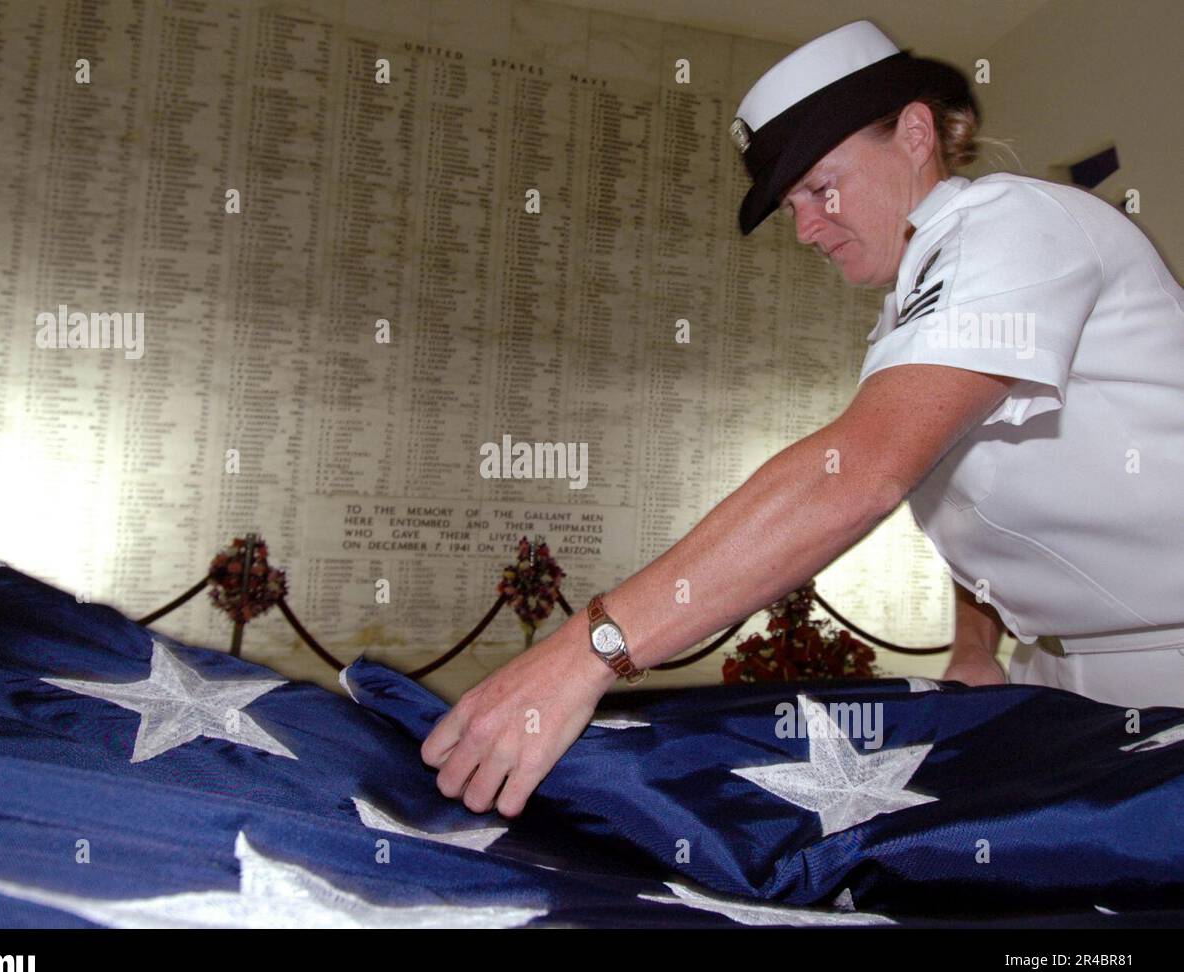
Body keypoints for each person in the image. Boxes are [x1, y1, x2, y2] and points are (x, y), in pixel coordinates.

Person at [421, 20, 1184, 817]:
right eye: (792, 207)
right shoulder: (908, 313)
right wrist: (971, 643)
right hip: (1065, 684)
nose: (808, 229)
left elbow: (860, 471)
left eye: (822, 188)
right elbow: (992, 507)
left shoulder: (1009, 224)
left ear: (916, 133)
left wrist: (588, 652)